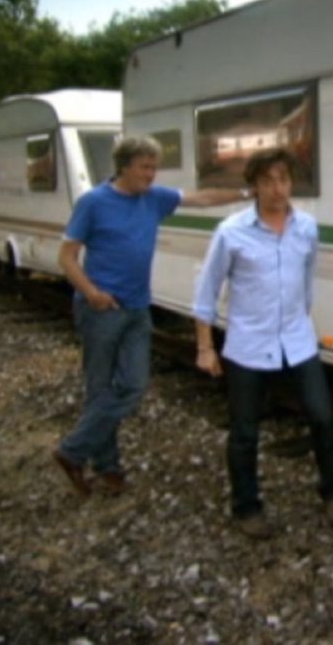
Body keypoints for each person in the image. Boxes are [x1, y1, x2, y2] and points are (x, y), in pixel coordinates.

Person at [53, 135, 248, 498]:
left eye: (154, 168)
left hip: (138, 307)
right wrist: (92, 292)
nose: (151, 175)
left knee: (134, 384)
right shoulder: (93, 202)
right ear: (124, 167)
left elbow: (201, 197)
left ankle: (73, 451)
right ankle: (108, 468)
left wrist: (243, 194)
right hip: (101, 310)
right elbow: (65, 257)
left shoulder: (154, 199)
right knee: (100, 390)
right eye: (145, 168)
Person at [193, 148, 333, 539]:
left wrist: (304, 320)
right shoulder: (232, 232)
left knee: (323, 416)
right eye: (267, 181)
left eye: (283, 179)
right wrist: (205, 346)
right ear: (254, 186)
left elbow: (307, 279)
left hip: (298, 340)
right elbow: (207, 290)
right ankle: (247, 507)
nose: (277, 189)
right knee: (245, 431)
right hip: (248, 345)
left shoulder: (307, 228)